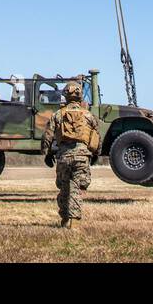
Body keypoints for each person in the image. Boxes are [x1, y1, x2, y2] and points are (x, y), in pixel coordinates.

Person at [41, 78, 100, 229]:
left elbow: (47, 136)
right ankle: (74, 222)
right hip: (82, 156)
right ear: (80, 96)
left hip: (63, 156)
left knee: (65, 188)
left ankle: (66, 219)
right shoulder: (88, 115)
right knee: (77, 187)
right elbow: (96, 137)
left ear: (65, 96)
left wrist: (46, 154)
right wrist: (95, 155)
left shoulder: (58, 115)